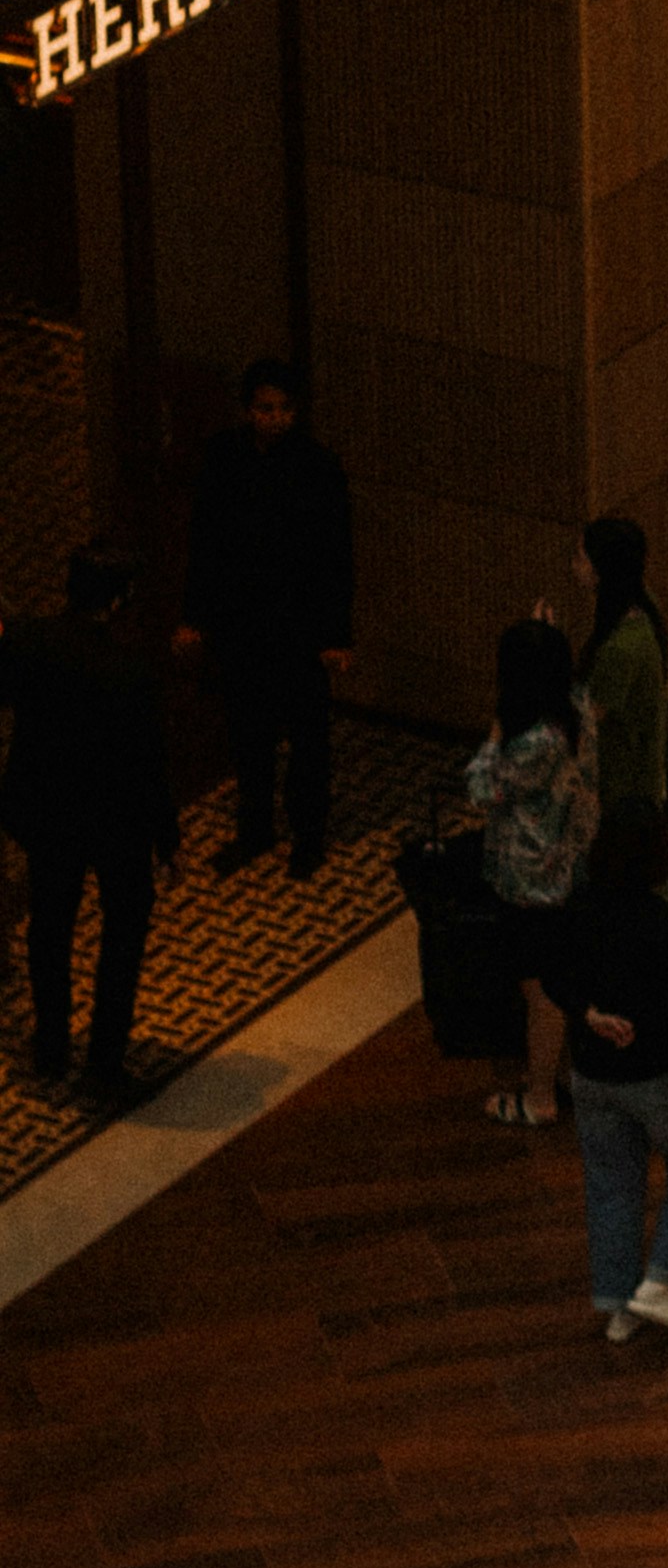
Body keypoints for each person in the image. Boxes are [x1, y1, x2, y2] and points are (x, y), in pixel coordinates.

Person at [1, 547, 179, 1109]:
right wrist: (166, 837)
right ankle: (104, 1063)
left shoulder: (28, 643)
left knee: (50, 925)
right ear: (119, 601)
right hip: (114, 822)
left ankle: (51, 1044)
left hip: (49, 812)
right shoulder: (129, 672)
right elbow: (149, 765)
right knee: (122, 933)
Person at [177, 354, 354, 875]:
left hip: (298, 626)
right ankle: (254, 829)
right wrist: (195, 616)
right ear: (247, 410)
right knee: (248, 735)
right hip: (243, 623)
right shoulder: (225, 459)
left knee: (307, 741)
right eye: (263, 408)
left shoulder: (318, 468)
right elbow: (204, 543)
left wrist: (335, 634)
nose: (272, 418)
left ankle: (308, 837)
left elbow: (336, 556)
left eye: (281, 409)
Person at [555, 806, 668, 1349]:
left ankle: (619, 1306)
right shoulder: (665, 923)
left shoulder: (579, 908)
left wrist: (589, 1016)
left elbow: (552, 973)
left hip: (590, 1074)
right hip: (654, 1078)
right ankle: (657, 1281)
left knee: (611, 1185)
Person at [468, 612, 596, 1127]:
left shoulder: (532, 742)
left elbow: (482, 789)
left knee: (541, 987)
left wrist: (494, 736)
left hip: (532, 882)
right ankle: (552, 1073)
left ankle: (540, 1095)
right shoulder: (576, 709)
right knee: (550, 980)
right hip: (564, 867)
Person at [572, 512, 668, 868]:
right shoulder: (641, 602)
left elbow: (588, 719)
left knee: (624, 872)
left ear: (602, 571)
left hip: (623, 781)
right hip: (637, 767)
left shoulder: (619, 648)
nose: (575, 565)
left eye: (581, 557)